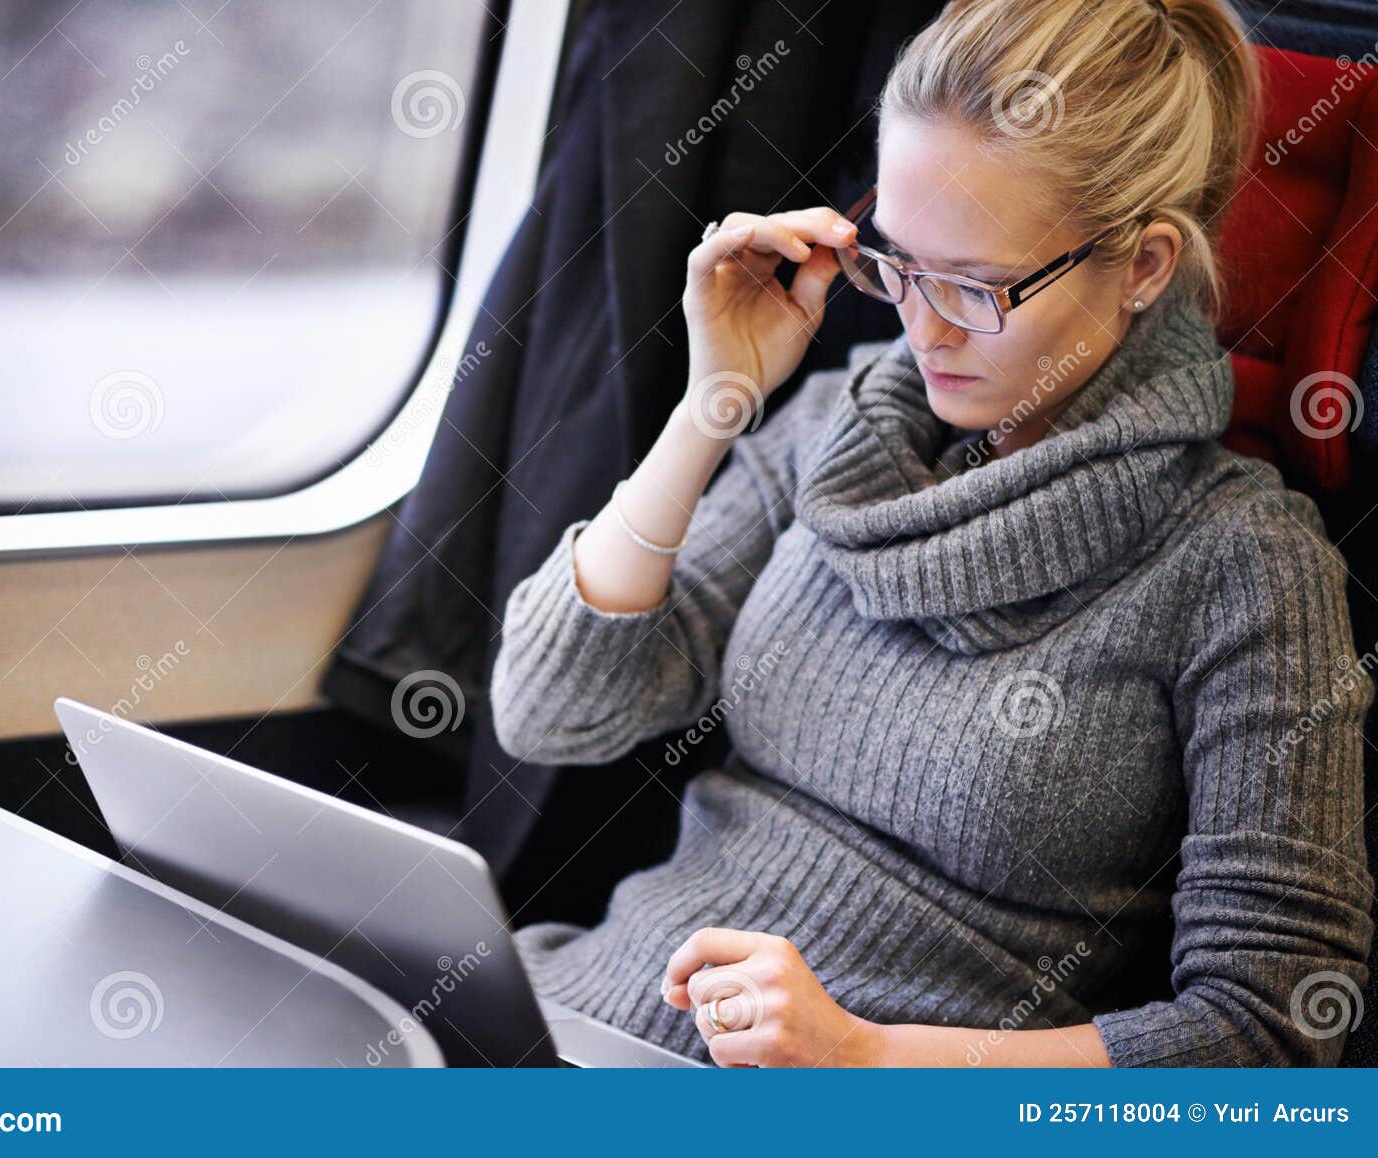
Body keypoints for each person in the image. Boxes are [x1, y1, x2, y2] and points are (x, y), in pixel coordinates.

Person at [488, 0, 1376, 1067]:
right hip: (569, 1020)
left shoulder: (1243, 564)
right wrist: (710, 406)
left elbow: (1270, 1028)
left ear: (1142, 265)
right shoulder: (837, 424)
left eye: (977, 283)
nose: (924, 323)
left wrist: (868, 1059)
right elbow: (548, 715)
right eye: (897, 262)